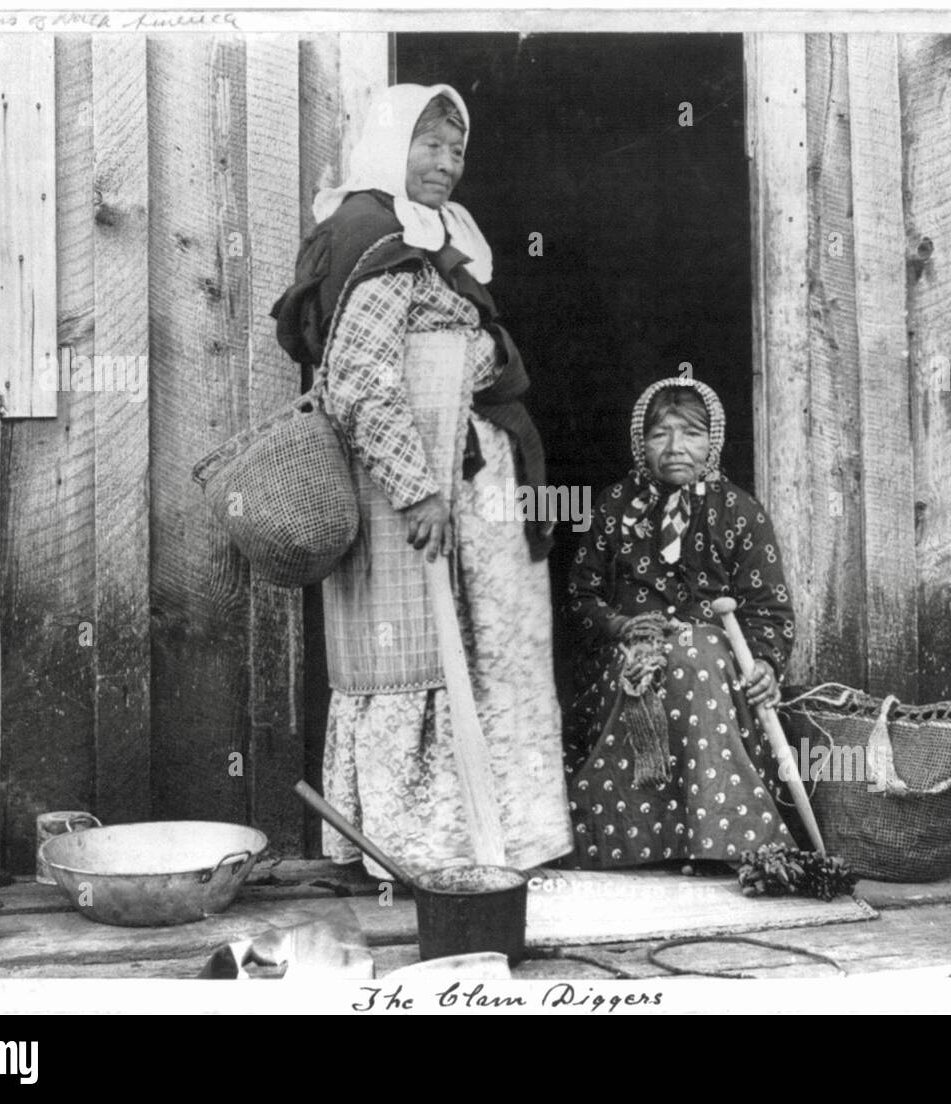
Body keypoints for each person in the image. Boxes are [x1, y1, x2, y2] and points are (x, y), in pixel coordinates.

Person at [278, 84, 572, 875]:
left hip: (469, 472)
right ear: (388, 145)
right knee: (418, 648)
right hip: (414, 484)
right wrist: (418, 491)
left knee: (480, 649)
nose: (445, 163)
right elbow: (364, 380)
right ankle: (425, 847)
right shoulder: (370, 233)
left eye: (456, 150)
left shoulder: (438, 234)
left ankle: (490, 837)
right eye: (428, 145)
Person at [561, 377, 796, 868]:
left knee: (698, 653)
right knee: (658, 665)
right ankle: (639, 841)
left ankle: (723, 838)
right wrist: (623, 627)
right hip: (628, 655)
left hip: (716, 665)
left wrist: (767, 667)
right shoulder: (613, 508)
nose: (674, 448)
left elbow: (769, 608)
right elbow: (580, 598)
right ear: (639, 442)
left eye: (690, 433)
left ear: (713, 440)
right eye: (659, 434)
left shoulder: (739, 511)